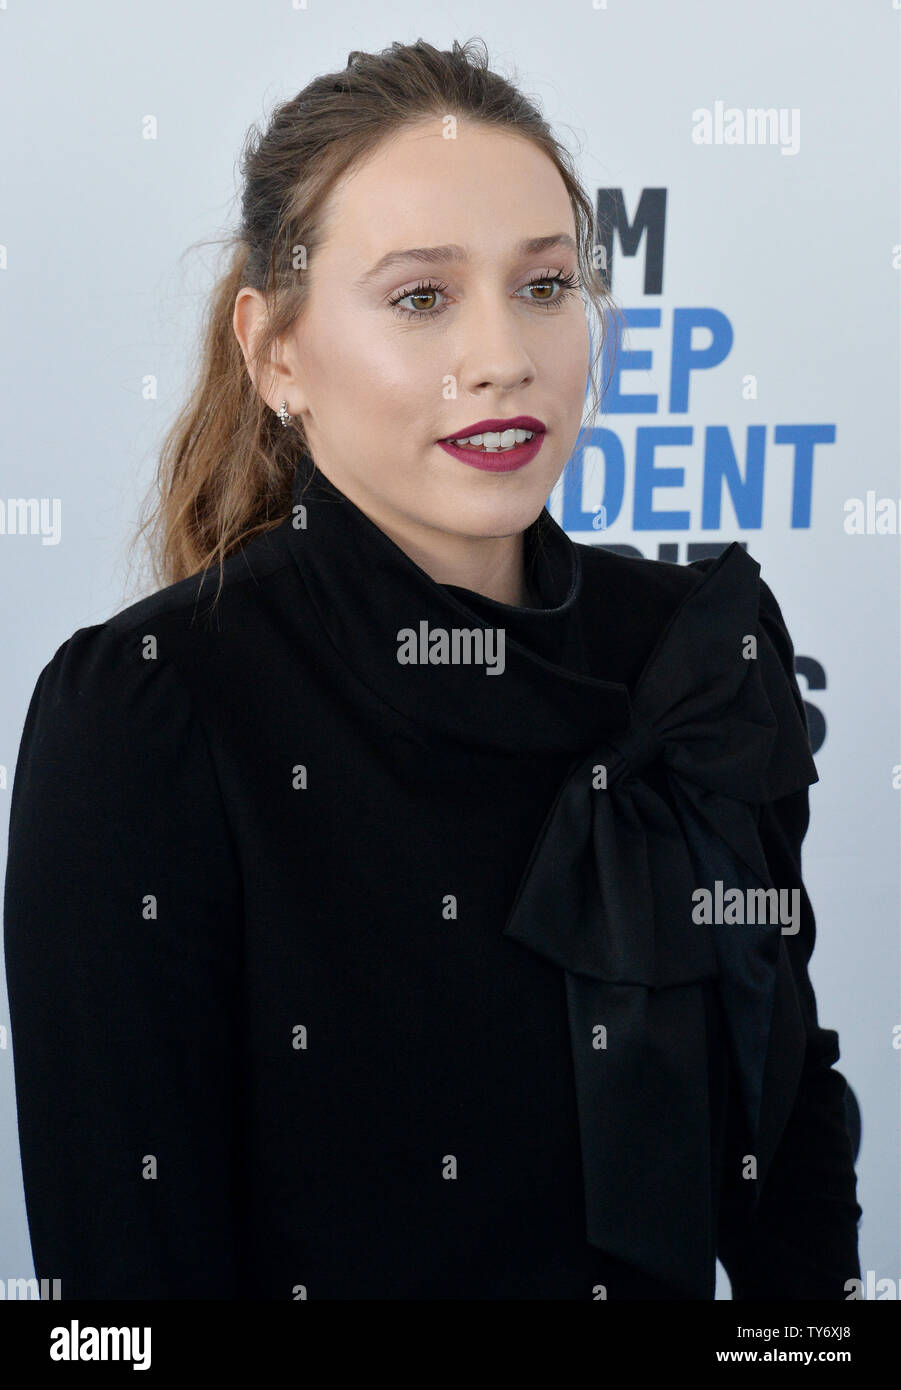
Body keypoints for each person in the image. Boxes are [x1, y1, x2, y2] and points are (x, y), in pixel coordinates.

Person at [3, 37, 862, 1300]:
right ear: (275, 352)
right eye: (421, 297)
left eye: (545, 285)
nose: (502, 355)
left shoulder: (694, 652)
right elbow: (128, 1276)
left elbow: (779, 1125)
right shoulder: (147, 711)